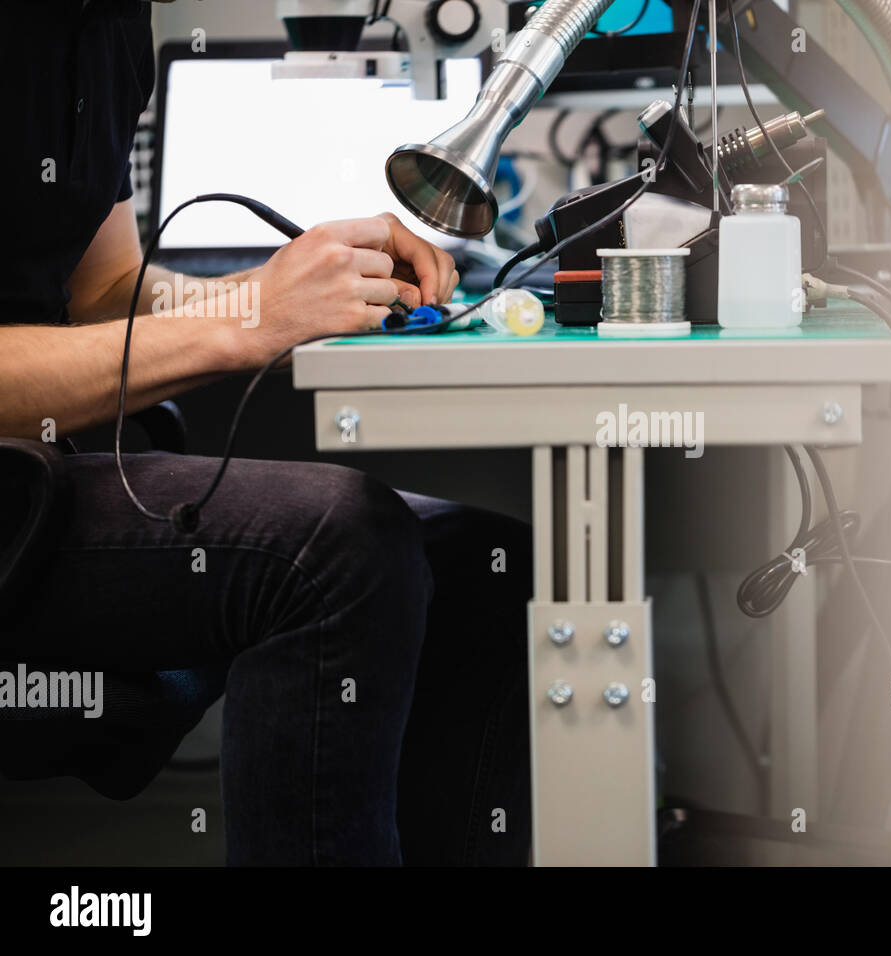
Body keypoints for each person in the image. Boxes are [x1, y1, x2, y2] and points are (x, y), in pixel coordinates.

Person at [0, 0, 530, 865]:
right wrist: (248, 321)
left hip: (46, 466)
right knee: (338, 544)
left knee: (488, 559)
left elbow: (105, 293)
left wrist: (303, 284)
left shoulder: (110, 25)